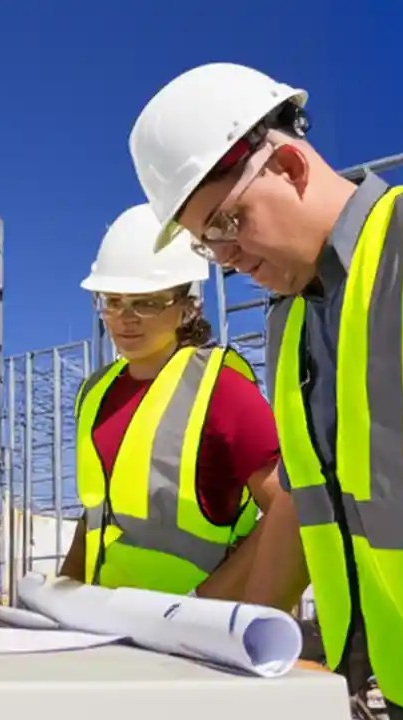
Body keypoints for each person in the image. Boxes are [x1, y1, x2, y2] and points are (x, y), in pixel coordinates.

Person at [129, 61, 403, 720]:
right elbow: (304, 507)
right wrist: (216, 651)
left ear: (291, 168)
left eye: (226, 222)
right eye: (205, 243)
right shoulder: (293, 321)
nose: (225, 255)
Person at [57, 204, 303, 609]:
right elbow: (96, 518)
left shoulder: (222, 390)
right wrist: (63, 598)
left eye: (147, 302)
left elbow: (290, 510)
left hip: (197, 636)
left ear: (187, 306)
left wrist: (205, 605)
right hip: (109, 628)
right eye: (113, 301)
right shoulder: (94, 394)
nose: (125, 318)